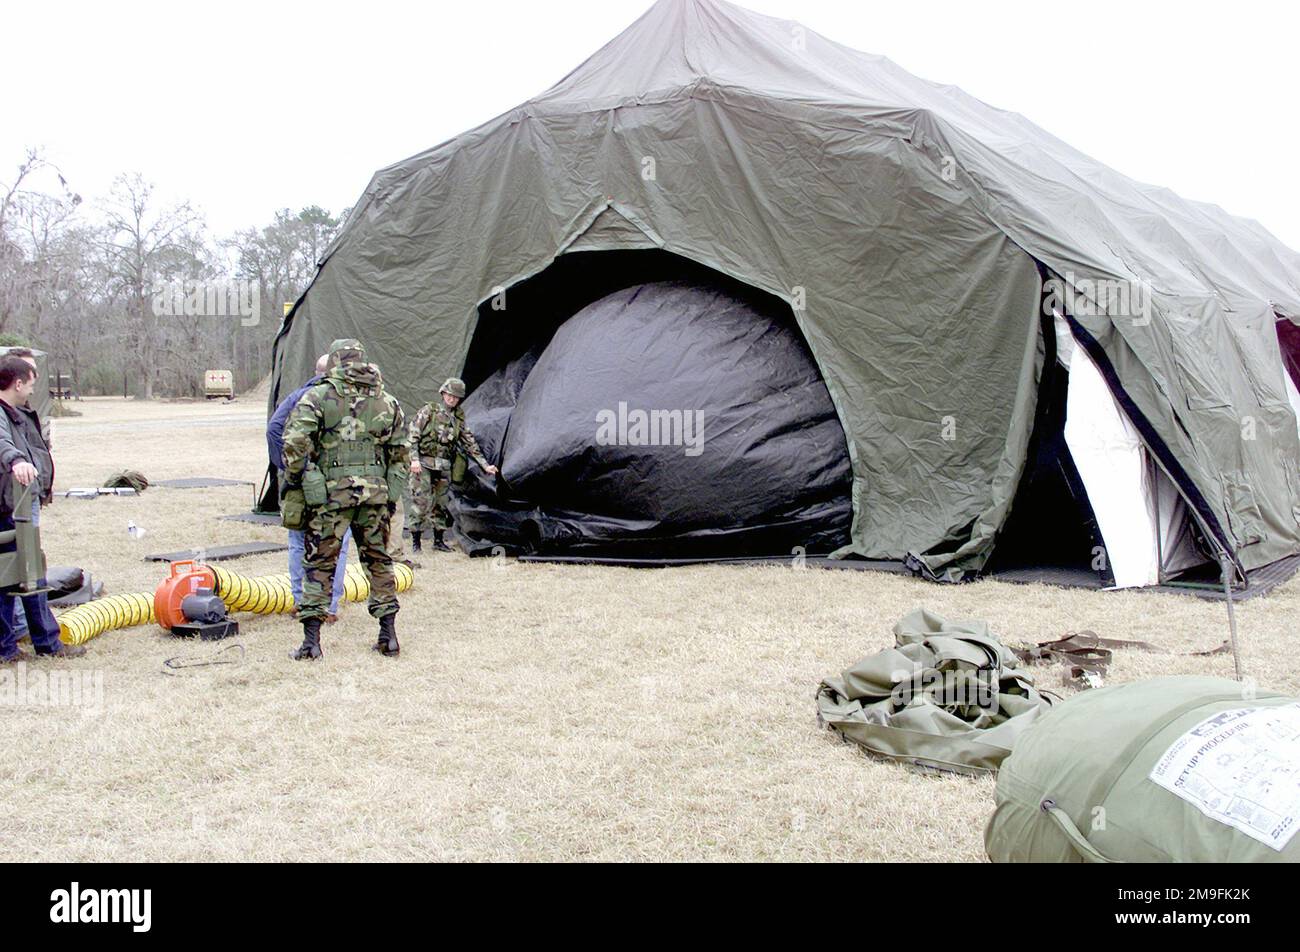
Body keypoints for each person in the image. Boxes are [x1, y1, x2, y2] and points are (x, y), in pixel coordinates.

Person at [281, 339, 409, 660]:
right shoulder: (387, 401)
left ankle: (312, 643)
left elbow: (294, 442)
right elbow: (401, 454)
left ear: (336, 361)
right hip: (375, 498)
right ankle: (388, 637)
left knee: (319, 564)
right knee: (379, 563)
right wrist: (390, 493)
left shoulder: (318, 396)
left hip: (329, 499)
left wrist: (306, 477)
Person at [0, 355, 86, 662]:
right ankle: (40, 645)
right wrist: (17, 461)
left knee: (18, 575)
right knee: (21, 575)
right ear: (18, 383)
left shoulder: (17, 412)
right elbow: (3, 444)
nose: (33, 390)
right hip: (10, 505)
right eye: (31, 383)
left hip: (20, 501)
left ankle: (17, 646)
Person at [267, 353, 351, 622]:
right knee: (337, 543)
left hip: (301, 484)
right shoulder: (345, 400)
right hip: (335, 484)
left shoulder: (296, 398)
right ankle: (329, 607)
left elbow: (274, 430)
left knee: (298, 543)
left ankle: (300, 601)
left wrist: (292, 469)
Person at [408, 377, 497, 552]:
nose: (452, 399)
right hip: (424, 464)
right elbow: (413, 435)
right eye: (449, 395)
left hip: (443, 466)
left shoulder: (458, 418)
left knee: (441, 504)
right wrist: (414, 459)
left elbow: (469, 442)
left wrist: (485, 465)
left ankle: (438, 541)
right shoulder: (429, 411)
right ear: (443, 394)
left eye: (456, 397)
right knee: (420, 501)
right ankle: (415, 541)